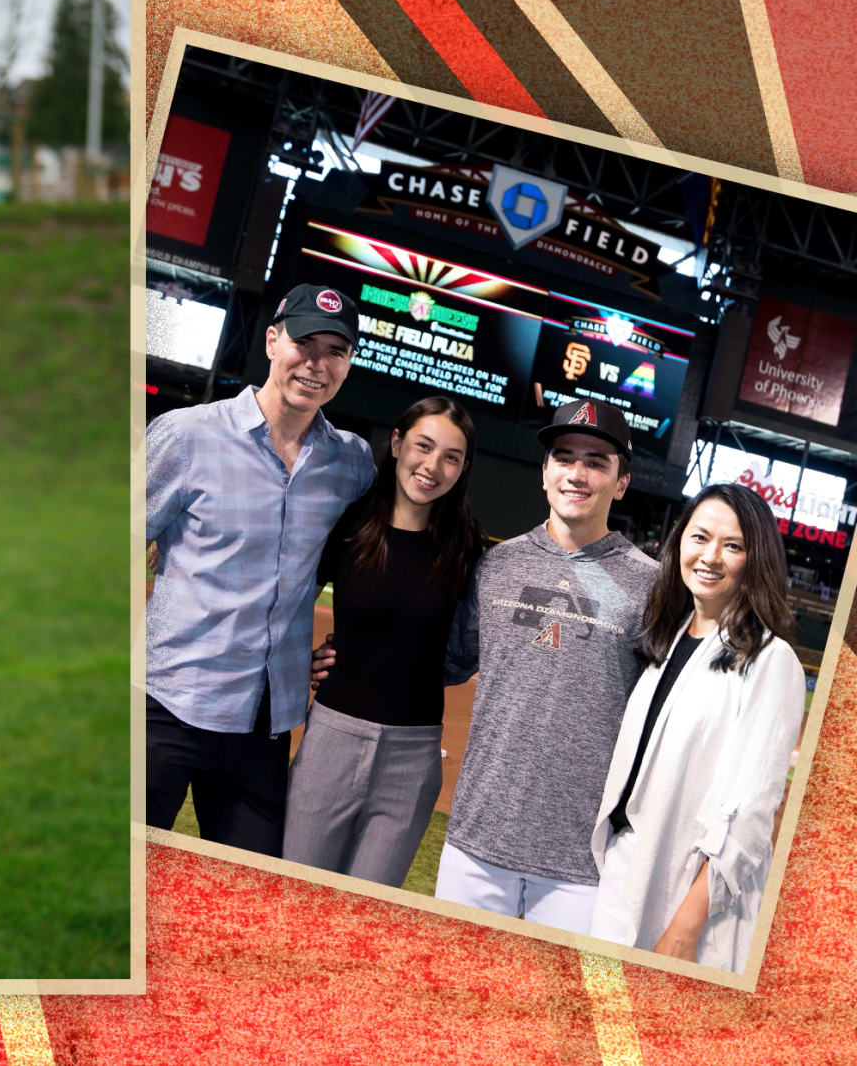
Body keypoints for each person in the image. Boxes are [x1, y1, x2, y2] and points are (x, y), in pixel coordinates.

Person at [142, 284, 376, 856]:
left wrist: (346, 644)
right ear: (273, 340)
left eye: (336, 351)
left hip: (264, 719)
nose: (316, 363)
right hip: (168, 703)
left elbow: (372, 563)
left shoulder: (351, 463)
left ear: (348, 365)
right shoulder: (188, 434)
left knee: (242, 901)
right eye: (304, 342)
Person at [434, 398, 658, 930]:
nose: (577, 473)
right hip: (476, 841)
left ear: (620, 482)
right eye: (564, 457)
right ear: (544, 472)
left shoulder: (651, 586)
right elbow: (444, 661)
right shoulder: (497, 565)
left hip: (582, 863)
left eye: (596, 462)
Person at [589, 484, 806, 971]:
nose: (711, 556)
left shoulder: (771, 660)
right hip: (625, 871)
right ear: (679, 542)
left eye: (732, 545)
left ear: (757, 560)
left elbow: (750, 810)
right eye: (700, 537)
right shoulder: (665, 638)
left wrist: (687, 925)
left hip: (693, 897)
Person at [283, 396, 485, 884]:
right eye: (423, 446)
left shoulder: (467, 548)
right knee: (293, 901)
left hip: (413, 759)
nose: (432, 466)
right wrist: (297, 660)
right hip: (332, 739)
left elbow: (466, 651)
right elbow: (286, 600)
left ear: (462, 469)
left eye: (451, 457)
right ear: (397, 443)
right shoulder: (349, 524)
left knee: (362, 920)